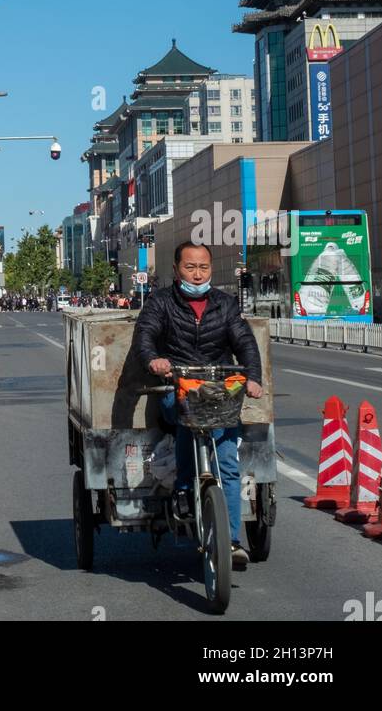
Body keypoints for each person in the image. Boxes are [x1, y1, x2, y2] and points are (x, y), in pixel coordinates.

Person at [132, 241, 263, 570]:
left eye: (203, 267)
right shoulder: (160, 302)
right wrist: (154, 360)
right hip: (177, 386)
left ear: (211, 270)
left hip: (218, 391)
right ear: (176, 270)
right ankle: (184, 488)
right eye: (190, 267)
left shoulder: (225, 304)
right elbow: (145, 336)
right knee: (184, 421)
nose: (197, 273)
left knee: (228, 463)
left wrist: (253, 377)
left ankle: (231, 541)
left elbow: (244, 341)